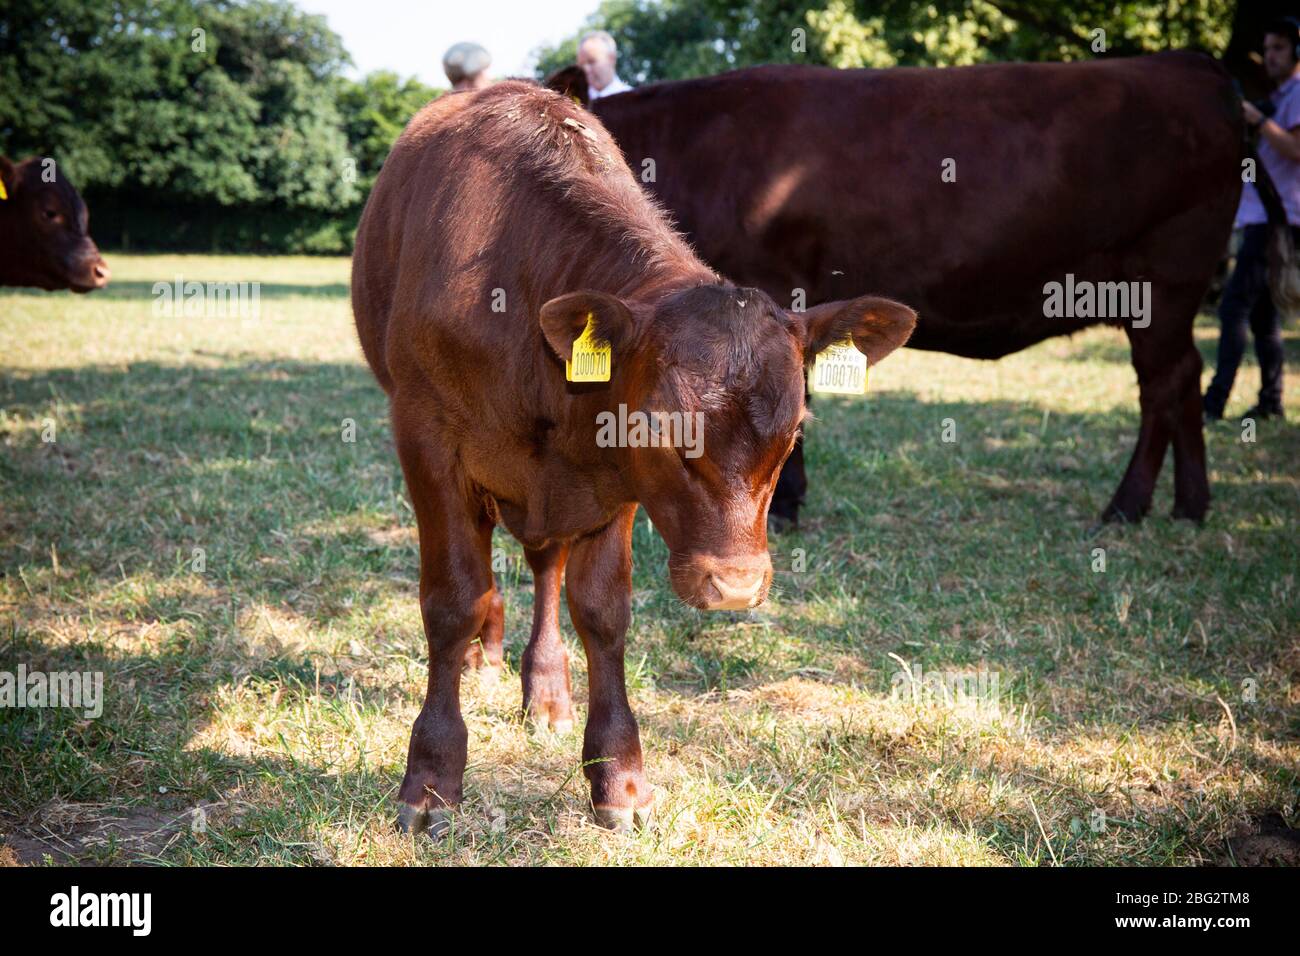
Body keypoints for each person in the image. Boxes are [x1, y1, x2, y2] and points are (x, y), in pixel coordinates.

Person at [1204, 19, 1300, 422]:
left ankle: (1213, 402)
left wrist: (1258, 121)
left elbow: (1296, 150)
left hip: (1277, 219)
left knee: (1233, 310)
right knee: (1263, 317)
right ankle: (1271, 401)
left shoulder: (1297, 95)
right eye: (1268, 48)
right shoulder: (1281, 95)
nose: (1270, 56)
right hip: (1266, 218)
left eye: (1279, 48)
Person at [577, 30, 631, 100]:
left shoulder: (633, 102)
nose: (586, 69)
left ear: (612, 59)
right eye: (581, 64)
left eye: (592, 62)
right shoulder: (574, 105)